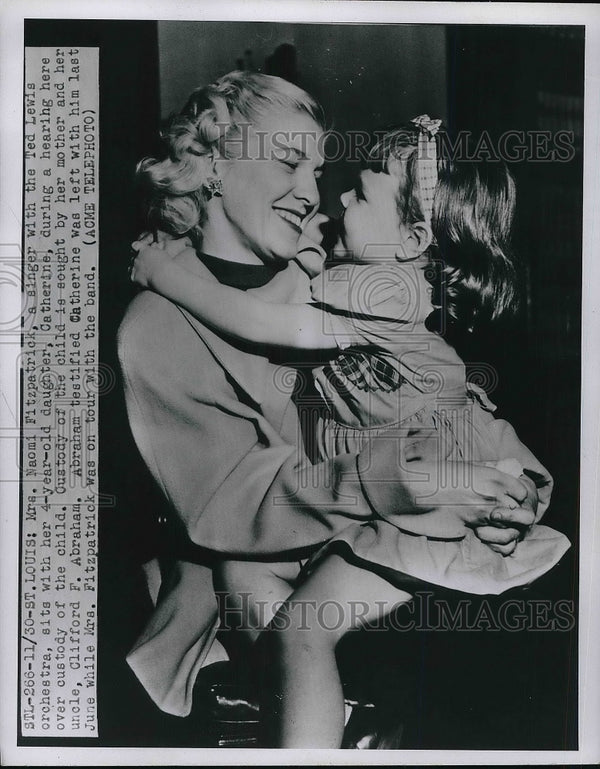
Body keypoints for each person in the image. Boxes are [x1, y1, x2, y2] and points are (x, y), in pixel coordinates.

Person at [118, 72, 551, 720]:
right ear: (216, 165)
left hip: (421, 541)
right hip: (307, 572)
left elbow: (290, 342)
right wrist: (404, 480)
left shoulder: (331, 273)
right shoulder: (155, 328)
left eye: (318, 168)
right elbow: (236, 503)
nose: (316, 191)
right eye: (289, 161)